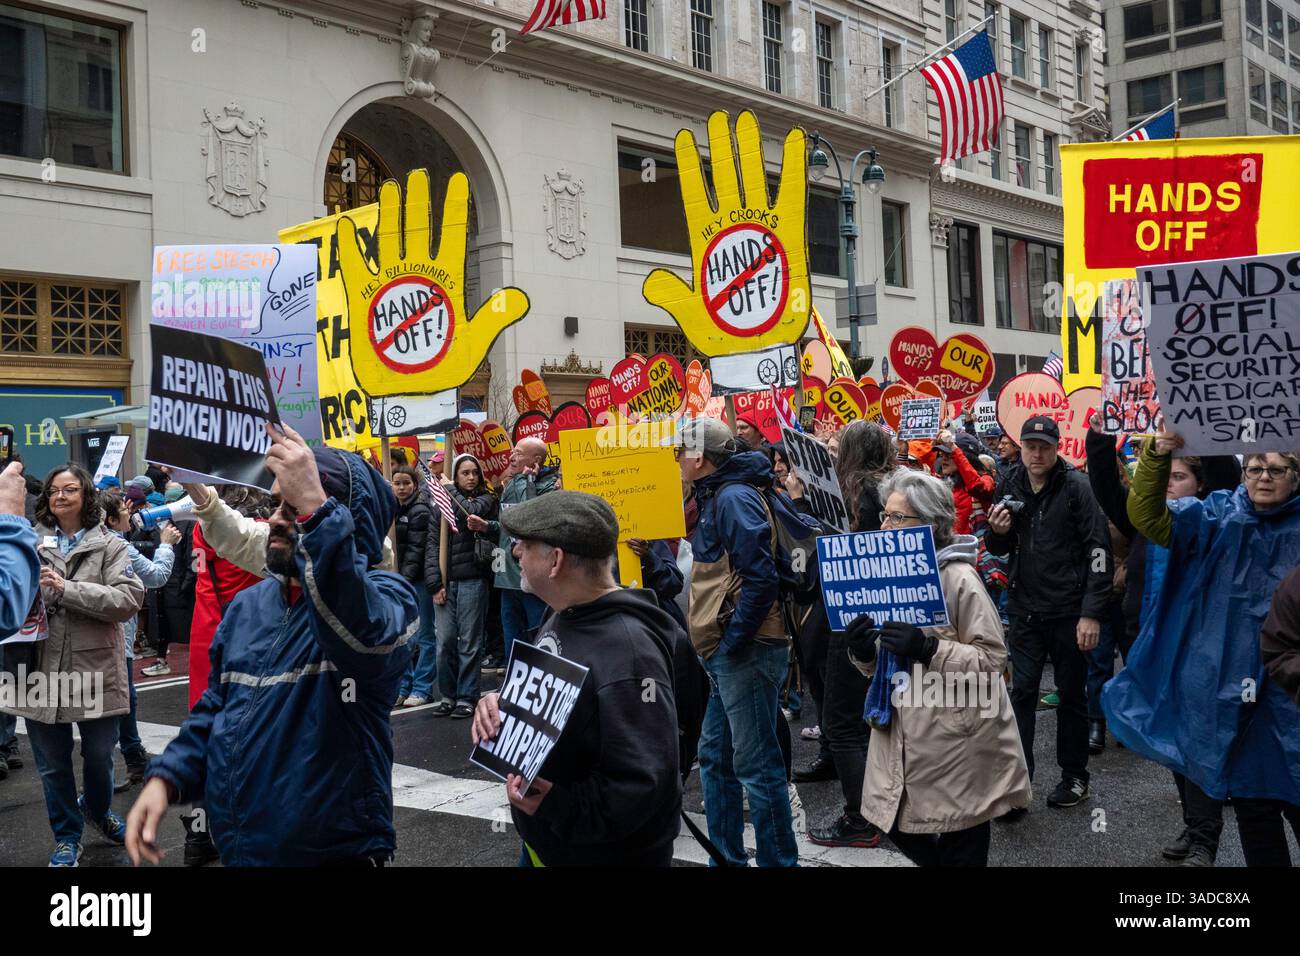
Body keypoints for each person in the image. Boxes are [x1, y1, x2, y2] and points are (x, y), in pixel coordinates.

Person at [127, 425, 419, 867]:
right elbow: (215, 710)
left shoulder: (389, 600)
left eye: (294, 507)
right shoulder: (249, 607)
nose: (278, 518)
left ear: (339, 519)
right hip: (244, 852)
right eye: (279, 505)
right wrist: (167, 777)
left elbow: (361, 636)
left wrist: (317, 511)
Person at [1107, 438, 1300, 867]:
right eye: (1254, 469)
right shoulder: (1217, 514)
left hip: (1291, 692)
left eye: (1276, 469)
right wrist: (1156, 455)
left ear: (1295, 476)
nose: (1263, 477)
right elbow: (1147, 515)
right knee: (1256, 818)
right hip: (1234, 693)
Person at [472, 491, 683, 866]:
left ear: (555, 561)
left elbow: (642, 786)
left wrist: (557, 804)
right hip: (549, 842)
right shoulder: (564, 612)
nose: (516, 553)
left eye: (525, 544)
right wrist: (500, 703)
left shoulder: (630, 652)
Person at [846, 470, 1031, 866]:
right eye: (885, 516)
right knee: (890, 818)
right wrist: (864, 651)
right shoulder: (889, 579)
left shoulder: (958, 578)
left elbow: (992, 661)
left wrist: (929, 647)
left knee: (961, 837)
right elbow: (884, 665)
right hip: (905, 732)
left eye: (897, 518)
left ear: (928, 524)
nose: (884, 525)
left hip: (957, 740)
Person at [1085, 421, 1240, 865]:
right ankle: (1193, 826)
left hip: (1196, 645)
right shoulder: (1143, 520)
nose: (1170, 485)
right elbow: (1106, 485)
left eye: (1180, 477)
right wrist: (1100, 435)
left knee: (1197, 739)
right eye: (1165, 476)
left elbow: (1227, 475)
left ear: (1201, 485)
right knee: (1170, 736)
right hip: (1144, 640)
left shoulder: (1213, 522)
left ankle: (1205, 839)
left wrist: (1201, 426)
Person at [674, 416, 807, 867]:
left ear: (699, 457)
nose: (675, 459)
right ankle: (725, 858)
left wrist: (732, 642)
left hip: (745, 653)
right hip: (730, 654)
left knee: (757, 768)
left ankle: (776, 862)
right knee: (716, 757)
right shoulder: (721, 494)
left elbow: (760, 578)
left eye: (680, 452)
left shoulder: (731, 497)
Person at [1, 464, 144, 866]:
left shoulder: (112, 546)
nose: (60, 497)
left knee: (100, 757)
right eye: (53, 491)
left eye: (70, 490)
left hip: (94, 670)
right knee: (51, 766)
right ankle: (67, 837)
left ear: (86, 497)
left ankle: (97, 811)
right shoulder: (26, 542)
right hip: (36, 669)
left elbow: (128, 600)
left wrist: (67, 589)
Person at [985, 415, 1111, 814]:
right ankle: (1018, 784)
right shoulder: (1009, 482)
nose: (1036, 454)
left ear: (1057, 448)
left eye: (1043, 446)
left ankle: (1074, 777)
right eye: (1029, 446)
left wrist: (1091, 614)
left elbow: (1098, 550)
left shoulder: (1077, 487)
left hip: (1069, 613)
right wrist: (997, 532)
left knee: (1071, 696)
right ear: (1020, 447)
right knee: (1020, 694)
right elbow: (997, 548)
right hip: (1024, 611)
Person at [804, 419, 894, 848]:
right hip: (882, 619)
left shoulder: (860, 496)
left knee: (842, 723)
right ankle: (878, 806)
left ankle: (861, 819)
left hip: (851, 618)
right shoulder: (893, 488)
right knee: (868, 718)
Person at [101, 491, 177, 788]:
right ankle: (112, 770)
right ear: (109, 519)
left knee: (123, 698)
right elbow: (156, 576)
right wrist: (167, 546)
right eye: (123, 509)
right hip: (116, 634)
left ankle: (134, 758)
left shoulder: (88, 540)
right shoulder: (119, 546)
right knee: (121, 700)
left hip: (102, 634)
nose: (130, 514)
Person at [470, 438, 556, 663]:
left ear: (535, 459)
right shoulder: (513, 483)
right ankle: (511, 686)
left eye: (517, 453)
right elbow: (509, 525)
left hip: (535, 577)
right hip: (508, 577)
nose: (511, 457)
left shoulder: (551, 486)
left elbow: (531, 519)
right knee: (513, 638)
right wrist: (488, 526)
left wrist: (528, 480)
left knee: (539, 636)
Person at [426, 454, 499, 718]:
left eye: (474, 473)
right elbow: (432, 545)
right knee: (444, 641)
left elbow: (468, 513)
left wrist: (449, 491)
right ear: (455, 475)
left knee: (470, 641)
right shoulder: (440, 505)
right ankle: (448, 694)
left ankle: (467, 696)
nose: (470, 477)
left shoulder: (486, 500)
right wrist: (435, 583)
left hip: (473, 579)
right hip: (446, 582)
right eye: (464, 473)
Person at [0, 461, 41, 780]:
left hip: (23, 631)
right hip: (13, 622)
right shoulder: (12, 516)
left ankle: (7, 742)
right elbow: (7, 603)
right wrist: (12, 519)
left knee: (11, 683)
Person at [390, 465, 435, 707]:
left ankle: (422, 688)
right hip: (399, 580)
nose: (402, 487)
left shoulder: (420, 510)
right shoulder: (392, 509)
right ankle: (404, 686)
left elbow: (416, 550)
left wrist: (401, 580)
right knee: (402, 637)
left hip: (416, 580)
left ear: (415, 485)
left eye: (406, 483)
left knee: (424, 636)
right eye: (397, 483)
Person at [141, 487, 197, 677]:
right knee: (163, 624)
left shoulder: (188, 524)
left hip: (178, 585)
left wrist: (186, 585)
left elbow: (193, 559)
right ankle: (161, 659)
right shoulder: (163, 522)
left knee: (184, 627)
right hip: (164, 583)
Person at [932, 430, 995, 535]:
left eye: (949, 454)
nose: (943, 459)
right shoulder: (944, 483)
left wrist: (954, 448)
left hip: (974, 549)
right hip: (948, 547)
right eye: (941, 454)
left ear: (965, 457)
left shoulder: (986, 479)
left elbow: (977, 487)